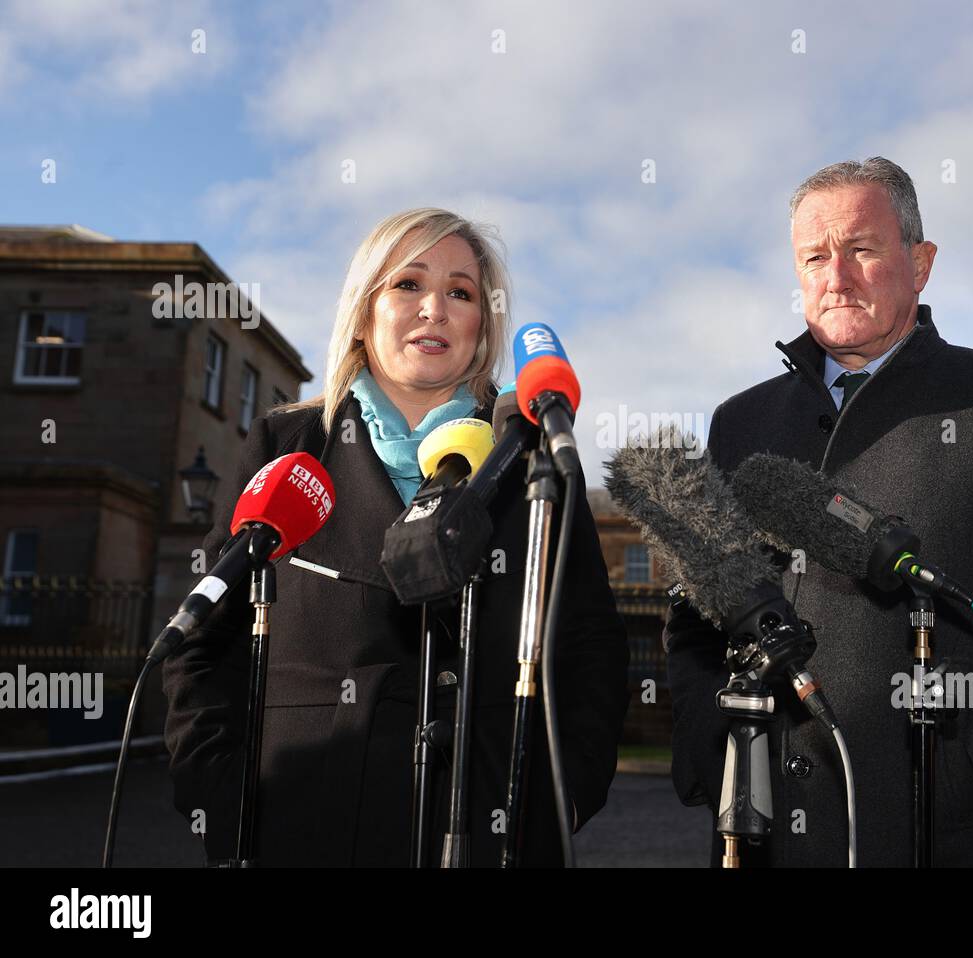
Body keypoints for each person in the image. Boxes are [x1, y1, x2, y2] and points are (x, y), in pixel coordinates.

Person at [665, 158, 973, 867]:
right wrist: (711, 751)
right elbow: (697, 620)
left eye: (862, 249)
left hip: (939, 842)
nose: (837, 275)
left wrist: (964, 774)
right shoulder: (738, 424)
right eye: (814, 256)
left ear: (920, 263)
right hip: (762, 843)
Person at [162, 208, 630, 866]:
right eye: (408, 284)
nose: (434, 307)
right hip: (301, 825)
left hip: (489, 827)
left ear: (483, 324)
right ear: (363, 310)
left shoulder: (535, 459)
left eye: (460, 292)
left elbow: (591, 645)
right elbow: (203, 648)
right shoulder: (282, 445)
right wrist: (225, 803)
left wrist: (565, 796)